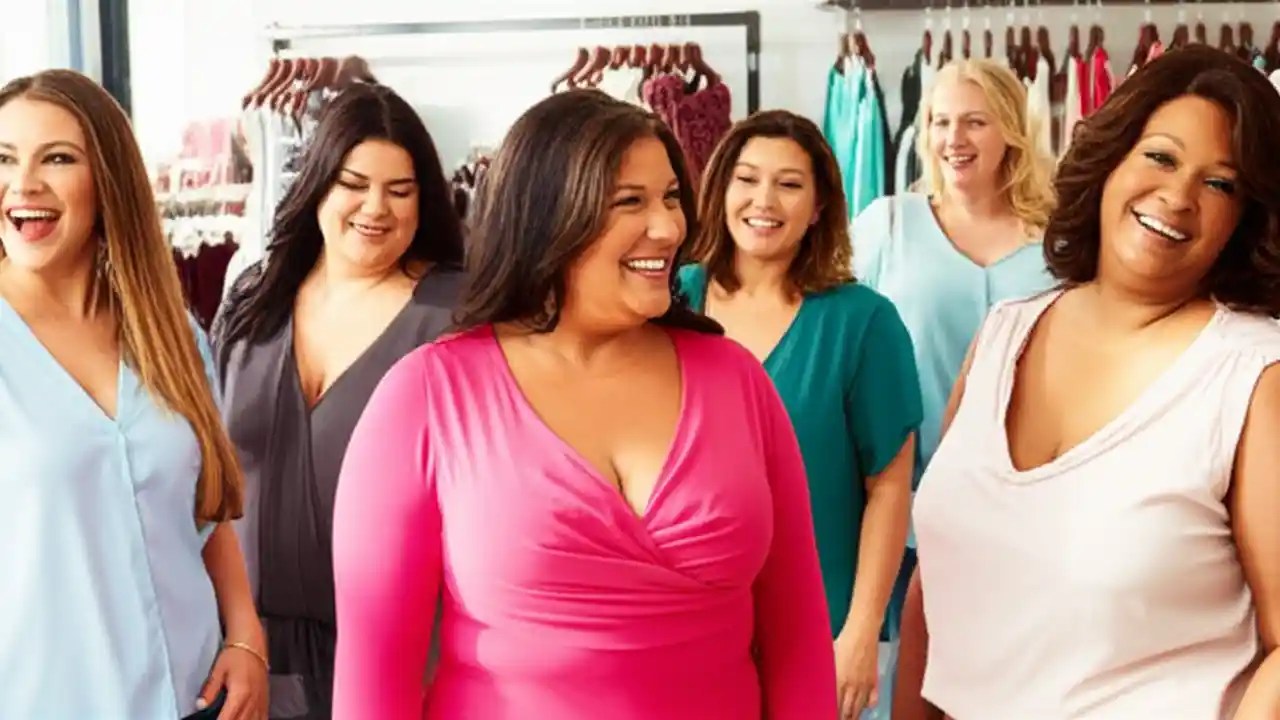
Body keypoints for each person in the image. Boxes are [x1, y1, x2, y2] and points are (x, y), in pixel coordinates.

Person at [329, 89, 837, 719]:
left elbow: (800, 645)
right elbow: (374, 684)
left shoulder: (736, 381)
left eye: (672, 197)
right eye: (631, 202)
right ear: (548, 216)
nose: (669, 227)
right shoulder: (426, 397)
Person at [902, 45, 1280, 719]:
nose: (1178, 196)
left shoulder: (1252, 375)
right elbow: (935, 583)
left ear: (1245, 218)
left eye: (1220, 183)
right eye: (1160, 157)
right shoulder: (1001, 335)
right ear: (1110, 159)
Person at [0, 70, 266, 718]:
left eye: (56, 158)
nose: (23, 184)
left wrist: (246, 635)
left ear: (107, 181)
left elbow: (203, 510)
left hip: (198, 696)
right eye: (4, 159)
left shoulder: (169, 333)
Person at [211, 83, 466, 719]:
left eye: (399, 190)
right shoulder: (252, 299)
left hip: (397, 655)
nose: (374, 208)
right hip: (245, 648)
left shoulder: (457, 313)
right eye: (354, 183)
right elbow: (202, 468)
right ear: (319, 184)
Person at [677, 110, 920, 719]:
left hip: (816, 627)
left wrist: (862, 630)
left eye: (788, 184)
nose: (764, 200)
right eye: (747, 179)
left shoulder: (862, 321)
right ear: (720, 189)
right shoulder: (669, 300)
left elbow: (889, 487)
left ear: (818, 206)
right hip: (682, 628)